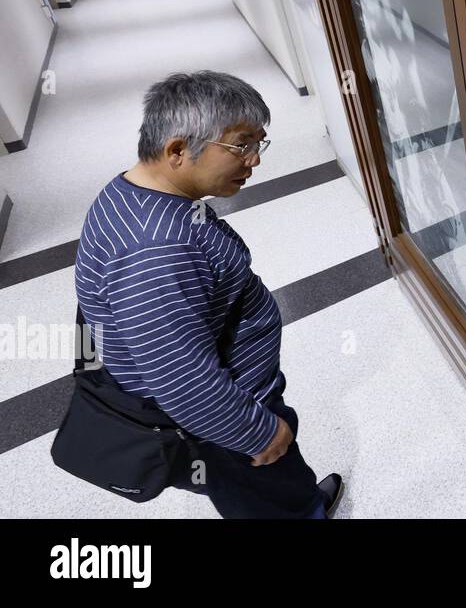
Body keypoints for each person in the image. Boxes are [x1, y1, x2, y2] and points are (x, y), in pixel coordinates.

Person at [73, 70, 343, 518]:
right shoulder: (157, 250)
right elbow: (181, 376)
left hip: (222, 409)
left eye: (259, 142)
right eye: (242, 145)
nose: (254, 159)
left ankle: (300, 500)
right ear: (178, 149)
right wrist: (254, 432)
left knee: (271, 489)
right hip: (224, 417)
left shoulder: (131, 191)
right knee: (266, 496)